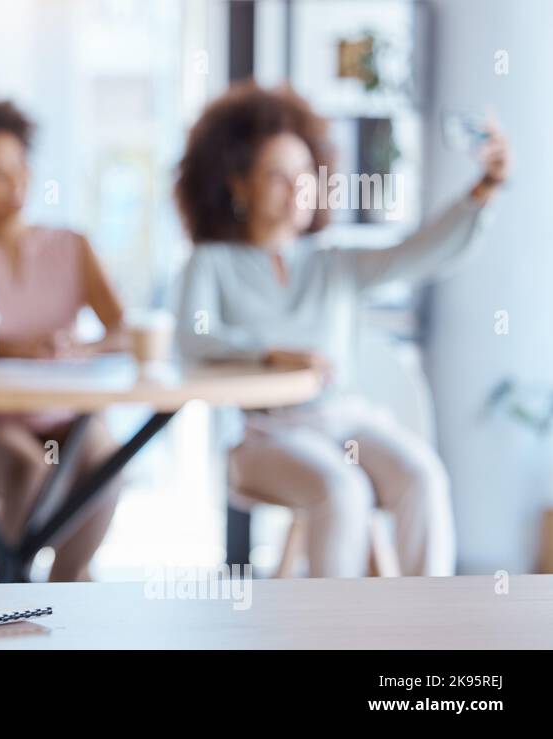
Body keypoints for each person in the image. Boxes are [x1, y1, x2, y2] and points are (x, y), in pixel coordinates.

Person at [173, 83, 510, 577]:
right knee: (342, 491)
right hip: (264, 434)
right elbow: (192, 339)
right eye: (276, 176)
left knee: (422, 476)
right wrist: (270, 353)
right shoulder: (211, 263)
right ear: (238, 185)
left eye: (304, 176)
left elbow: (418, 252)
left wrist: (484, 187)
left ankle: (435, 628)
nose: (296, 189)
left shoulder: (334, 264)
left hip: (345, 420)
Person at [0, 95, 129, 582]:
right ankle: (3, 579)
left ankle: (66, 585)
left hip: (62, 415)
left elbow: (122, 331)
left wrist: (81, 348)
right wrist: (12, 348)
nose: (15, 182)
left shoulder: (72, 246)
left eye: (19, 166)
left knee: (108, 463)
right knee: (28, 469)